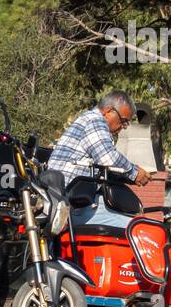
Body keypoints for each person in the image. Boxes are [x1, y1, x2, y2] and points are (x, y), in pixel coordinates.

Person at [45, 91, 151, 230]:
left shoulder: (89, 121)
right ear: (108, 111)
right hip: (69, 203)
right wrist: (134, 172)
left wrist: (129, 175)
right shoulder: (95, 120)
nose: (124, 126)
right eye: (124, 120)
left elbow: (103, 163)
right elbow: (107, 157)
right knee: (138, 228)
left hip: (70, 199)